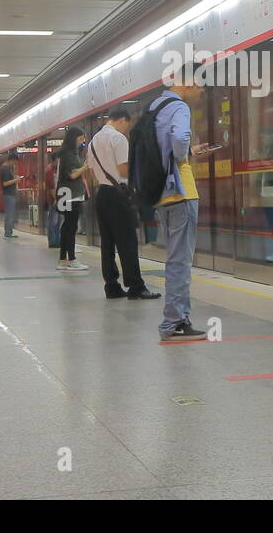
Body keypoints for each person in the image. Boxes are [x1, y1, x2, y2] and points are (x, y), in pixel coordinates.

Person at [152, 65, 213, 339]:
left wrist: (188, 150)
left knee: (174, 257)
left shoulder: (155, 105)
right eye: (200, 87)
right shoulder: (180, 107)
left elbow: (163, 144)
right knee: (180, 261)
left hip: (162, 192)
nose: (201, 93)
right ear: (188, 83)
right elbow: (177, 140)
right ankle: (174, 322)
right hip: (181, 191)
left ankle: (177, 319)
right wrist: (182, 154)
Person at [89, 106, 160, 300]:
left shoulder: (93, 141)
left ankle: (111, 285)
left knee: (107, 242)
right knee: (127, 241)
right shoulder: (118, 139)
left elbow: (93, 172)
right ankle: (136, 286)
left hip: (102, 194)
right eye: (126, 126)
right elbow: (122, 170)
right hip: (119, 195)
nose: (125, 130)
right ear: (122, 120)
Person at [55, 129, 90, 271]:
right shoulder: (69, 154)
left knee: (67, 226)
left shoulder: (67, 153)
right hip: (71, 194)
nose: (82, 141)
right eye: (81, 138)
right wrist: (87, 166)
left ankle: (63, 259)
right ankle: (72, 259)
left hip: (67, 193)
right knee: (71, 227)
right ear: (74, 138)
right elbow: (73, 174)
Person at [0, 152, 21, 239]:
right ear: (11, 160)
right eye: (14, 162)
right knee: (9, 214)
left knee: (10, 213)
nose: (14, 164)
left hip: (10, 194)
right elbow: (5, 183)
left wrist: (15, 177)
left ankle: (9, 231)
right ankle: (8, 233)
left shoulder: (8, 168)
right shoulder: (5, 168)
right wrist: (16, 180)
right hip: (8, 194)